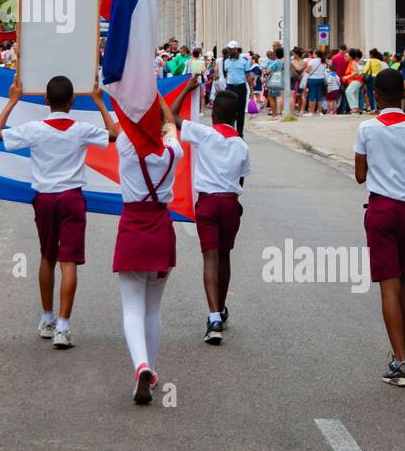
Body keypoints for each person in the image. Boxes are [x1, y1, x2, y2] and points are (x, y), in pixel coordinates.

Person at [0, 72, 117, 349]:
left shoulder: (35, 128)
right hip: (72, 198)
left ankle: (47, 318)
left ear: (46, 99)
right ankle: (63, 326)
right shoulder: (81, 129)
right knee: (68, 262)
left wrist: (13, 100)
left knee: (47, 256)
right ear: (72, 100)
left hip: (45, 199)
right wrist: (99, 102)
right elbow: (115, 135)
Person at [353, 68, 405, 388]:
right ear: (404, 96)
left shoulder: (367, 128)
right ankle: (402, 349)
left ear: (376, 96)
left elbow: (359, 175)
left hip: (381, 209)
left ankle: (399, 361)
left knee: (387, 285)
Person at [114, 95, 184, 405]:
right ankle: (152, 369)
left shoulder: (127, 147)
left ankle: (140, 365)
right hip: (161, 228)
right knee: (154, 308)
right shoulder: (173, 151)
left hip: (132, 227)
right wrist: (157, 100)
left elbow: (122, 125)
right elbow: (170, 123)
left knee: (132, 307)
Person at [172, 78, 252, 344]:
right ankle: (222, 307)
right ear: (235, 114)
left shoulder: (204, 134)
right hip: (230, 202)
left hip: (207, 202)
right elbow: (241, 181)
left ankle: (214, 315)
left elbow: (171, 115)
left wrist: (186, 89)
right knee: (225, 256)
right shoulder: (241, 144)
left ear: (213, 112)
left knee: (210, 258)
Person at [265, 48, 285, 116]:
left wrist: (265, 73)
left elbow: (268, 71)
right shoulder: (284, 61)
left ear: (276, 54)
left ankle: (274, 113)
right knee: (280, 96)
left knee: (271, 97)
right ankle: (280, 112)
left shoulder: (276, 62)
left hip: (274, 80)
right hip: (283, 80)